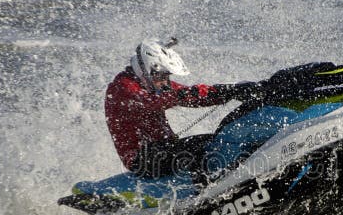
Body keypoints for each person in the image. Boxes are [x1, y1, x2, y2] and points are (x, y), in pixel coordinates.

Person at [105, 38, 258, 179]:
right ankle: (207, 195)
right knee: (201, 150)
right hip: (142, 158)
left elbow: (193, 96)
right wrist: (184, 94)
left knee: (216, 140)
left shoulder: (151, 82)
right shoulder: (122, 88)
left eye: (167, 76)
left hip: (164, 148)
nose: (165, 82)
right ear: (144, 68)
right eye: (161, 76)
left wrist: (232, 91)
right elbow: (158, 101)